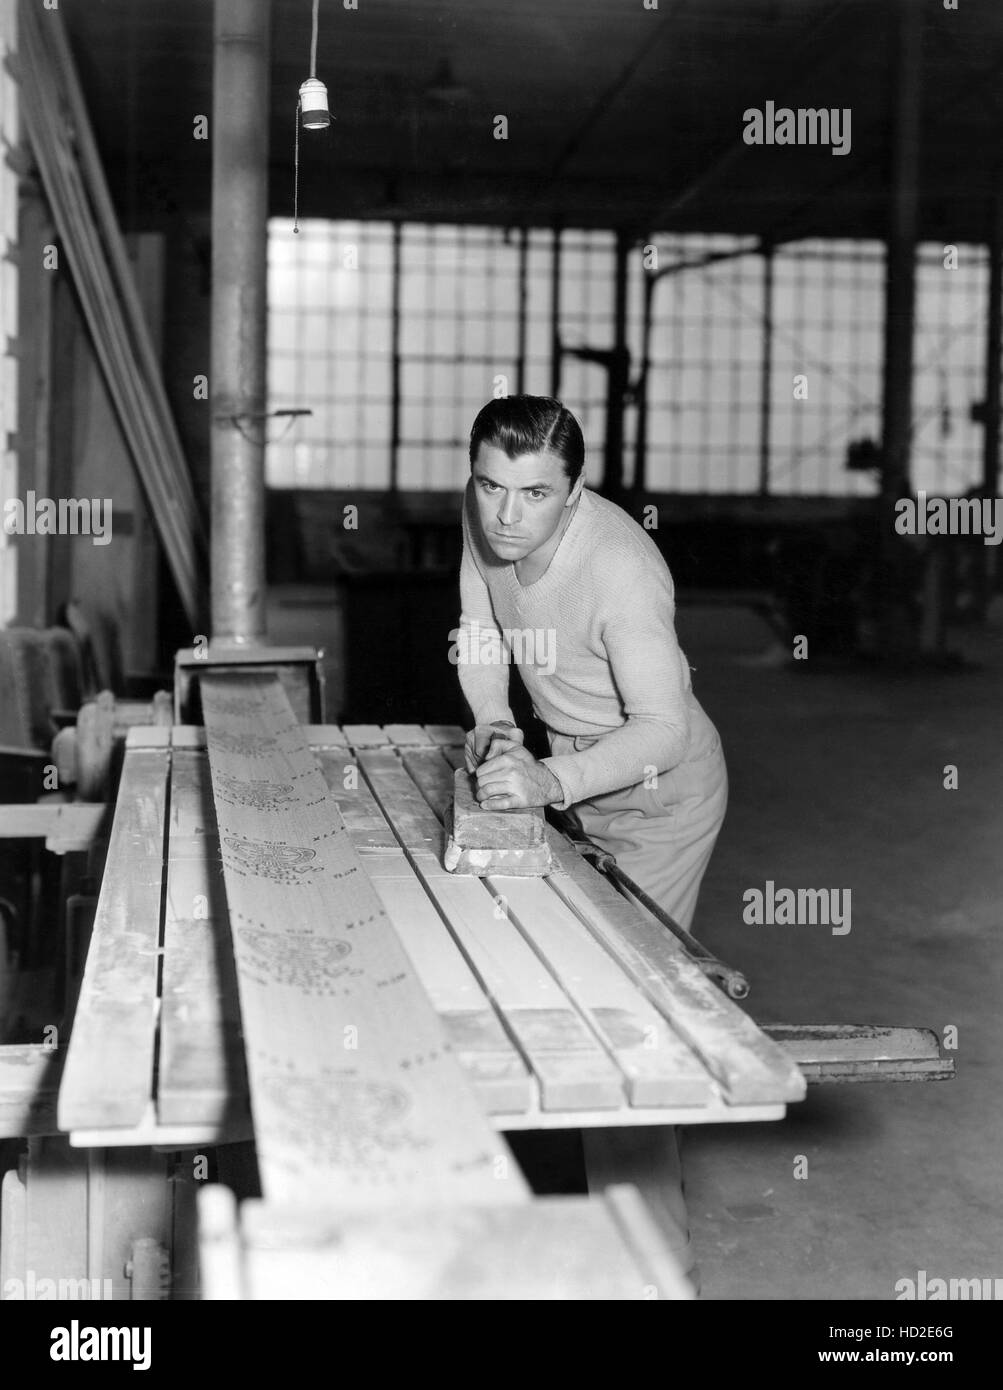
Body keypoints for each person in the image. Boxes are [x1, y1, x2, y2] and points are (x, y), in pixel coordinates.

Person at [455, 394, 728, 1292]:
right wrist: (497, 724)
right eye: (491, 485)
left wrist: (547, 782)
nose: (504, 515)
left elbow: (662, 731)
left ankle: (653, 1273)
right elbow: (481, 630)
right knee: (525, 980)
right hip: (565, 776)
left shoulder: (621, 571)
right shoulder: (487, 514)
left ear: (573, 496)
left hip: (656, 798)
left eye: (533, 495)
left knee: (621, 1032)